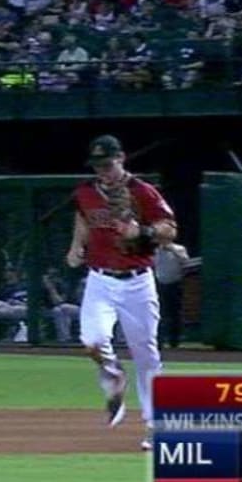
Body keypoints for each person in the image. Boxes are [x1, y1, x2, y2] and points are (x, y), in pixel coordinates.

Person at [65, 135, 177, 451]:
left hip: (137, 282)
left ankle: (155, 424)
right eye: (98, 166)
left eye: (108, 164)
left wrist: (143, 231)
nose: (103, 171)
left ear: (122, 158)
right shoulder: (86, 192)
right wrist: (76, 245)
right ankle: (114, 377)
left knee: (146, 354)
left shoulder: (143, 191)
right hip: (100, 279)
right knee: (92, 340)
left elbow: (170, 229)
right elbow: (82, 216)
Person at [153, 239, 191, 348]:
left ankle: (174, 340)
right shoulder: (155, 250)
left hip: (175, 283)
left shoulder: (179, 249)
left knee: (175, 313)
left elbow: (186, 262)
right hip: (159, 283)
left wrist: (173, 251)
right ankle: (159, 340)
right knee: (158, 312)